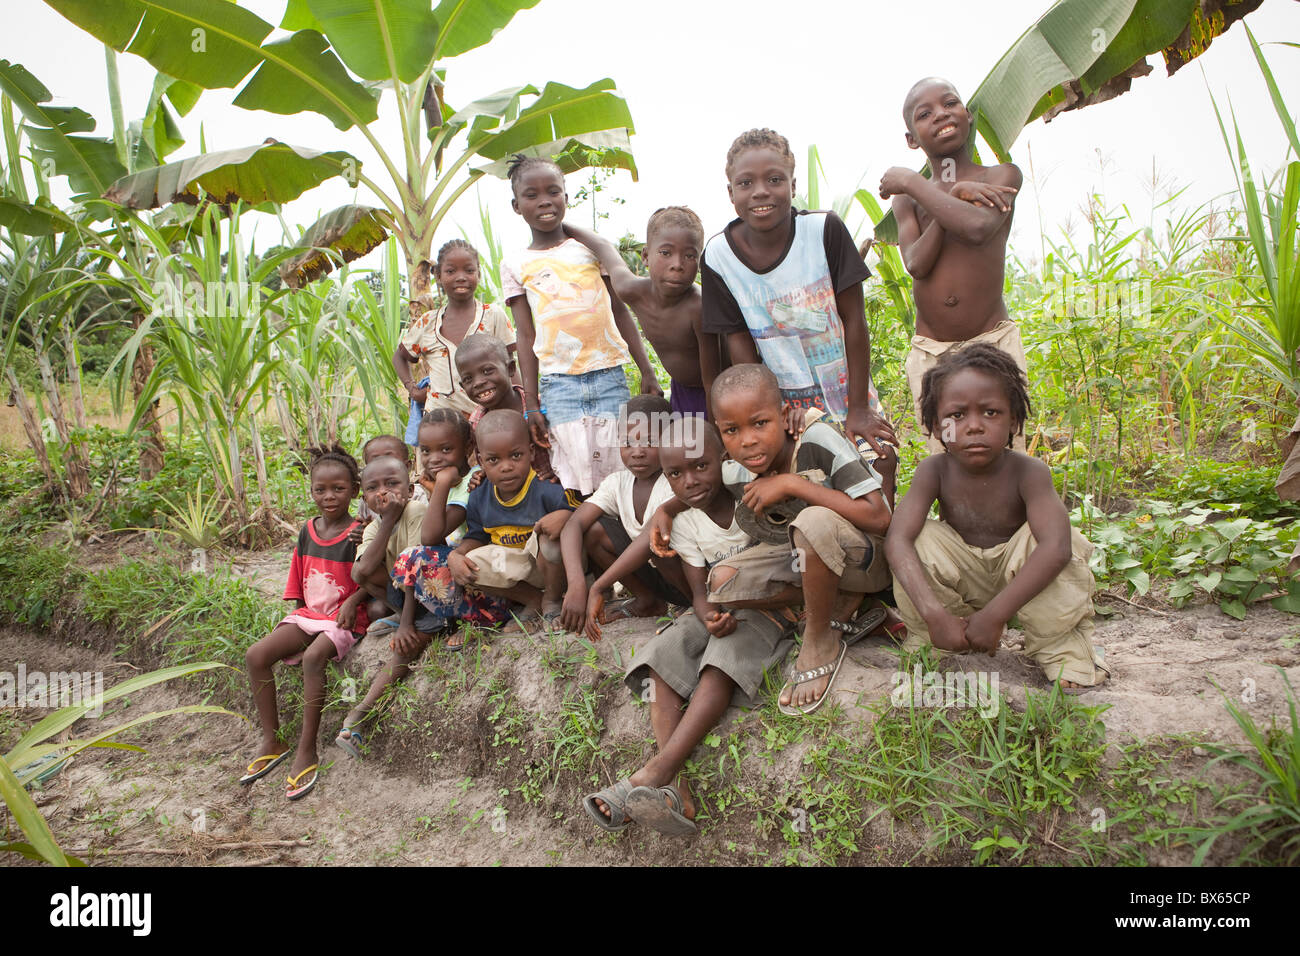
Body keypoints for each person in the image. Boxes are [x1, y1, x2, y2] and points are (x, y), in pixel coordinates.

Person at [580, 418, 794, 837]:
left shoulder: (751, 493)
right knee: (663, 662)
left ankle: (652, 774)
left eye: (700, 467)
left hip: (770, 609)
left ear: (724, 461)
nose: (690, 481)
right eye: (676, 474)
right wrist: (707, 615)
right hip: (718, 605)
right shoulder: (686, 523)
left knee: (718, 665)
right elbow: (699, 592)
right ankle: (677, 790)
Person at [884, 344, 1107, 692]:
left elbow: (1057, 548)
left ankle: (1060, 648)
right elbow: (896, 540)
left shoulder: (1029, 471)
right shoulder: (933, 471)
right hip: (963, 584)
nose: (974, 426)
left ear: (1014, 420)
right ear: (934, 424)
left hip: (1025, 581)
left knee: (1057, 539)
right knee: (916, 539)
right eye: (957, 416)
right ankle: (937, 636)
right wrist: (935, 615)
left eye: (990, 413)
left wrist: (995, 616)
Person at [700, 127, 897, 489]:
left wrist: (858, 409)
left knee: (879, 465)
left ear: (792, 183)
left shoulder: (823, 231)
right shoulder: (718, 257)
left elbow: (854, 321)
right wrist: (770, 412)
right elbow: (738, 342)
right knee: (797, 482)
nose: (760, 191)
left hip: (845, 391)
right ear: (730, 193)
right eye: (746, 183)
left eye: (774, 179)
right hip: (778, 406)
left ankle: (882, 545)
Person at [698, 364, 892, 715]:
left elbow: (880, 518)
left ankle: (818, 637)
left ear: (785, 415)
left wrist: (792, 484)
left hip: (866, 559)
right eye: (732, 430)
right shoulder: (737, 471)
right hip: (809, 562)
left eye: (760, 423)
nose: (748, 440)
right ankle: (832, 605)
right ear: (720, 434)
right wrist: (665, 513)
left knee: (812, 521)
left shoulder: (817, 440)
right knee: (721, 581)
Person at [335, 411, 503, 758]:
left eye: (392, 486)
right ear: (362, 497)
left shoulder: (457, 487)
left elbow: (424, 551)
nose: (383, 494)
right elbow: (363, 572)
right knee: (374, 584)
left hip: (457, 583)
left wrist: (408, 622)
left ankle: (359, 716)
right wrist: (387, 521)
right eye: (426, 451)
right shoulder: (378, 524)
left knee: (405, 644)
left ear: (408, 488)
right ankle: (357, 719)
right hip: (427, 590)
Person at [501, 154, 662, 496]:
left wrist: (646, 369)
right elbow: (525, 334)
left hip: (608, 375)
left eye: (553, 191)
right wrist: (531, 402)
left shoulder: (589, 250)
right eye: (532, 195)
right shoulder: (515, 263)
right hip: (559, 385)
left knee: (622, 464)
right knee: (575, 470)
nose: (545, 200)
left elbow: (619, 311)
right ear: (516, 206)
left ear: (566, 197)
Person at [879, 77, 1025, 452]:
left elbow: (978, 227)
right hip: (932, 351)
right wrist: (949, 195)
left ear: (968, 116)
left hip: (992, 342)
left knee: (1004, 454)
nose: (941, 115)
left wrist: (912, 180)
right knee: (945, 458)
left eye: (950, 104)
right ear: (912, 138)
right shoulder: (907, 203)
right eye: (924, 114)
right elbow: (916, 263)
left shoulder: (1000, 176)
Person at [241, 445, 367, 800]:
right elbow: (298, 574)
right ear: (311, 490)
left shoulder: (360, 532)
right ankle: (271, 737)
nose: (329, 497)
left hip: (345, 618)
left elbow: (373, 580)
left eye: (339, 489)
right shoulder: (307, 530)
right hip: (311, 615)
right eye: (320, 490)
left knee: (314, 658)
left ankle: (306, 747)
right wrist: (295, 618)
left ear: (355, 490)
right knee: (256, 655)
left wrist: (355, 601)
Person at [563, 209, 717, 418]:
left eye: (689, 256)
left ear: (699, 262)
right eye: (666, 253)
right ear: (645, 256)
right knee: (686, 446)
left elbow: (712, 380)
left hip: (713, 391)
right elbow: (602, 246)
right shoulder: (631, 290)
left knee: (705, 446)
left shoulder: (698, 307)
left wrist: (716, 424)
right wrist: (558, 224)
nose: (677, 265)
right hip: (682, 389)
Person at [558, 394, 690, 633]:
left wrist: (598, 587)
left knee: (658, 544)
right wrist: (577, 583)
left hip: (691, 578)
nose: (637, 452)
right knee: (594, 531)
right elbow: (573, 524)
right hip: (657, 577)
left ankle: (692, 603)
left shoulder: (678, 480)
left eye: (649, 442)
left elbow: (648, 540)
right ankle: (647, 600)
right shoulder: (618, 482)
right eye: (627, 442)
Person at [447, 409, 574, 625]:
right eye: (494, 460)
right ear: (480, 460)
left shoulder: (548, 489)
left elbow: (580, 520)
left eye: (516, 456)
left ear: (531, 452)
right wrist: (457, 555)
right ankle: (534, 599)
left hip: (553, 567)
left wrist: (567, 515)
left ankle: (552, 601)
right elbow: (477, 535)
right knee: (470, 563)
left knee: (551, 542)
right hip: (514, 568)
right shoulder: (479, 495)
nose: (506, 467)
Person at [392, 239, 516, 421]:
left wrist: (522, 407)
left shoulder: (492, 316)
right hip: (440, 422)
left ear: (478, 275)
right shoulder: (428, 322)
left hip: (489, 419)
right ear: (439, 277)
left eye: (469, 270)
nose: (461, 277)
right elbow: (400, 357)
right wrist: (412, 389)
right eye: (451, 271)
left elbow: (510, 365)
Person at [455, 332, 558, 485]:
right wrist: (480, 474)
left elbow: (564, 448)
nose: (478, 382)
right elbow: (487, 460)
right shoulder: (477, 422)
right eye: (468, 379)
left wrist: (556, 469)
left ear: (510, 369)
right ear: (463, 386)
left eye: (487, 371)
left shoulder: (540, 408)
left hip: (550, 488)